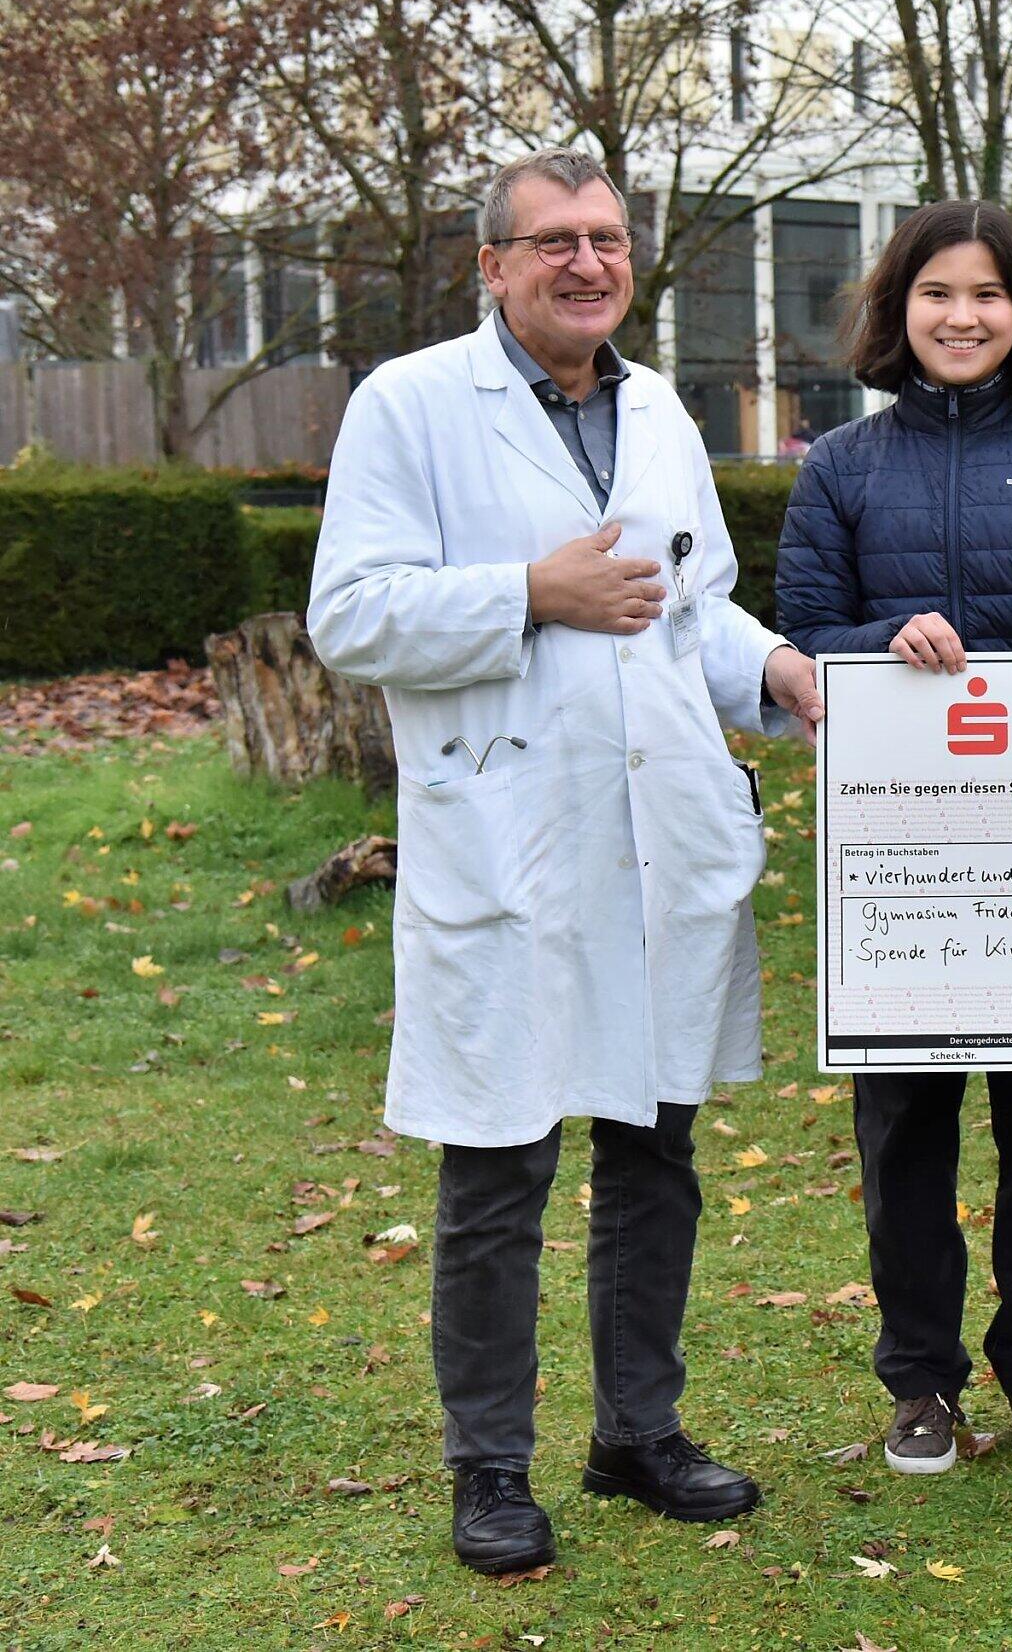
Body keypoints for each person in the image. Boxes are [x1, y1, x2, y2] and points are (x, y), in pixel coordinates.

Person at [307, 147, 826, 1576]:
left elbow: (688, 605)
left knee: (656, 1157)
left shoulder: (657, 407)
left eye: (605, 239)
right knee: (499, 1172)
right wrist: (529, 596)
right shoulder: (410, 404)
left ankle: (637, 1434)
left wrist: (776, 666)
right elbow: (347, 616)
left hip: (653, 840)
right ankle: (489, 1468)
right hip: (512, 846)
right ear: (494, 266)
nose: (586, 262)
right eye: (553, 243)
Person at [774, 199, 1012, 1477]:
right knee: (906, 1133)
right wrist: (886, 643)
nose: (961, 316)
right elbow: (802, 640)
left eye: (986, 295)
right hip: (900, 867)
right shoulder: (841, 470)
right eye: (937, 294)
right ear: (899, 310)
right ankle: (918, 1381)